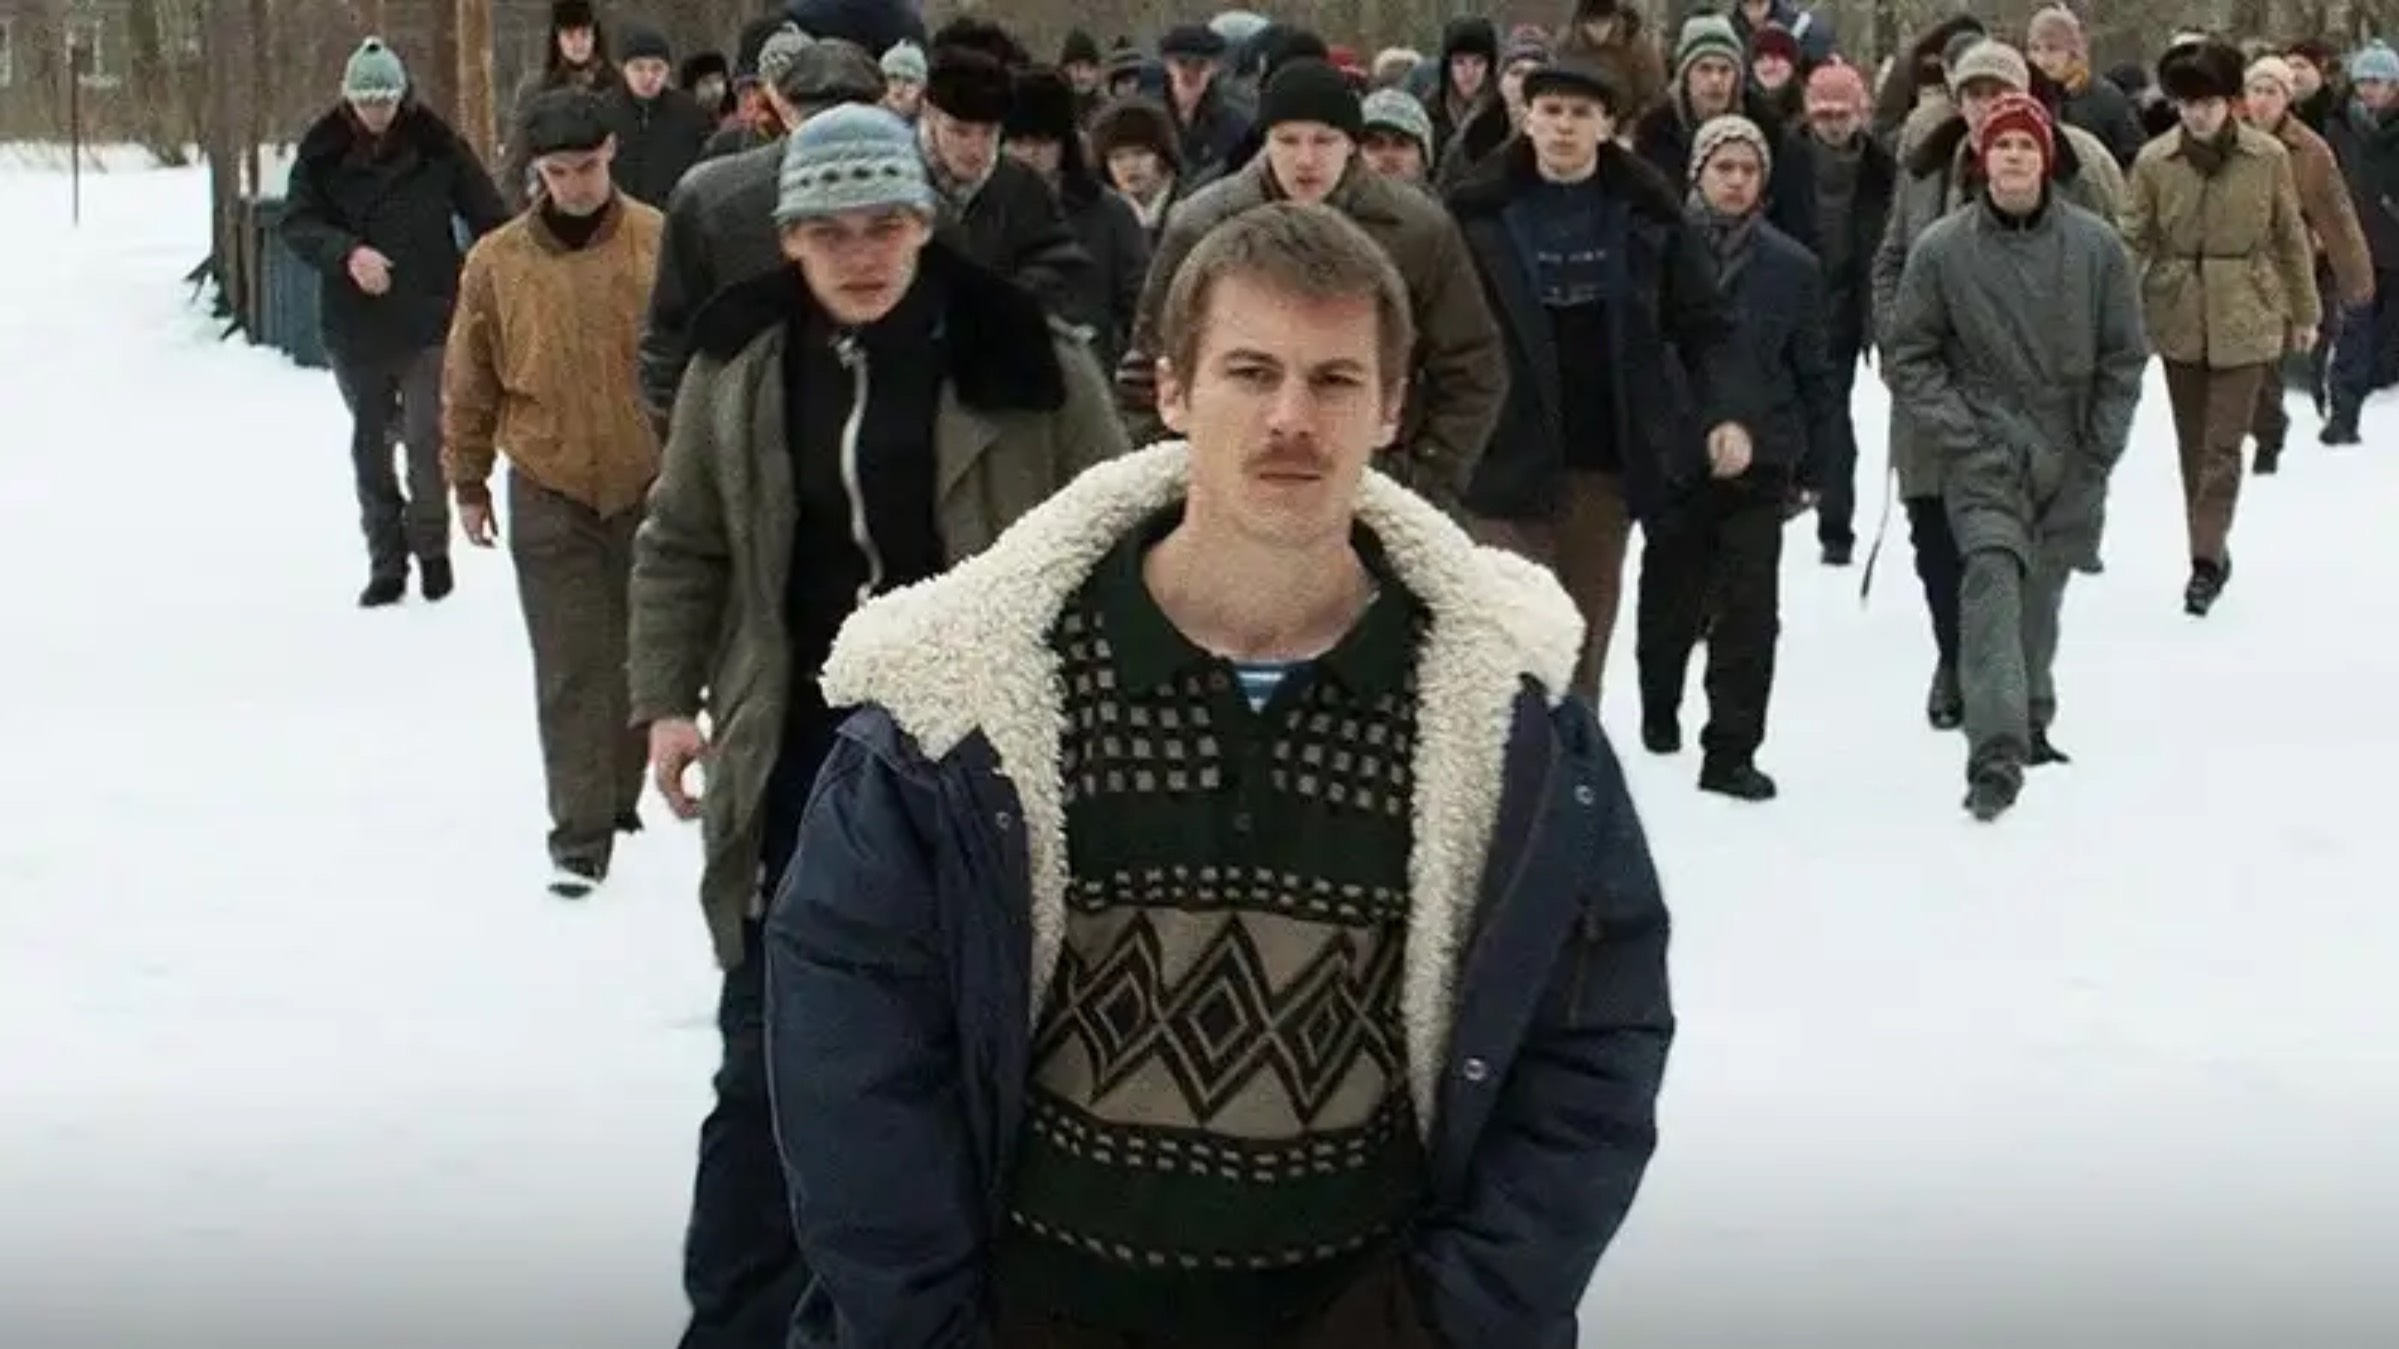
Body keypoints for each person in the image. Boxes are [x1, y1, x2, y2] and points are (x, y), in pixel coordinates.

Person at [766, 199, 1673, 1349]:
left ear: (1391, 407)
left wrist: (1442, 1318)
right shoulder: (963, 710)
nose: (1290, 416)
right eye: (1249, 371)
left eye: (1334, 379)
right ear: (1172, 389)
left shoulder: (1507, 727)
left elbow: (1589, 1048)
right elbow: (852, 1061)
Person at [626, 103, 1128, 1349]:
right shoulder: (739, 367)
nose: (861, 252)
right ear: (790, 239)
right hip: (794, 761)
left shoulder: (1024, 356)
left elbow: (1116, 541)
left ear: (923, 224)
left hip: (978, 767)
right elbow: (681, 541)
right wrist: (667, 703)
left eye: (887, 223)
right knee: (770, 1067)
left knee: (972, 1059)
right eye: (831, 229)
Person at [1448, 56, 1750, 708]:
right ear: (1527, 119)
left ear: (1607, 125)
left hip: (1602, 460)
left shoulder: (1646, 212)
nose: (1564, 126)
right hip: (1499, 460)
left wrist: (1724, 412)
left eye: (1580, 114)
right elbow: (1433, 329)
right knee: (1507, 644)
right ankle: (1509, 767)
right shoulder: (1476, 212)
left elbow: (1706, 324)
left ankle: (1573, 765)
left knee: (1579, 648)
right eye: (1551, 111)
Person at [1885, 93, 2147, 821]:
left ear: (2046, 159)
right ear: (1980, 158)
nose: (2012, 156)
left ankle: (2031, 715)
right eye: (2000, 144)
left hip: (2070, 445)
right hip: (1983, 445)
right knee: (1992, 578)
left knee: (2042, 590)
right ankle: (1994, 752)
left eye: (2026, 145)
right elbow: (1910, 354)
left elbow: (2124, 355)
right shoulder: (1941, 249)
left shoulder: (2096, 248)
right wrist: (1961, 432)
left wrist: (2100, 446)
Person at [440, 89, 664, 896]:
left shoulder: (658, 241)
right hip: (548, 482)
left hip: (649, 481)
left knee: (642, 653)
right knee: (570, 663)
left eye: (588, 168)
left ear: (611, 155)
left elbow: (698, 360)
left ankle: (619, 793)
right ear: (536, 171)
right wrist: (467, 478)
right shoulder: (497, 262)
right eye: (558, 172)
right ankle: (578, 835)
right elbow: (469, 378)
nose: (575, 186)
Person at [1120, 59, 1503, 516]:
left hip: (1374, 486)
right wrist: (1184, 479)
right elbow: (1149, 366)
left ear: (1351, 143)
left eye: (1324, 140)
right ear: (1265, 141)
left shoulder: (1419, 230)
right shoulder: (1201, 224)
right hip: (1230, 485)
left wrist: (1424, 479)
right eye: (1288, 140)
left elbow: (1472, 367)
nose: (1306, 159)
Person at [1637, 115, 1834, 801]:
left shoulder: (1792, 267)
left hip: (1762, 459)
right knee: (1669, 597)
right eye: (1723, 167)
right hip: (1676, 456)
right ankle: (1659, 704)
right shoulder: (1658, 251)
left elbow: (1813, 370)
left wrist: (1821, 463)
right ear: (1698, 174)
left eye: (1749, 170)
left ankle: (1731, 748)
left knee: (1750, 611)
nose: (1736, 181)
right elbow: (1641, 354)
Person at [279, 36, 509, 607]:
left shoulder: (436, 145)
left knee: (429, 439)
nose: (376, 112)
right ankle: (386, 560)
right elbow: (297, 222)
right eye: (366, 102)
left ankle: (431, 548)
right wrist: (347, 254)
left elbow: (487, 213)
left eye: (384, 101)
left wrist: (502, 269)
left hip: (428, 314)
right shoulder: (322, 152)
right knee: (372, 446)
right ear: (348, 101)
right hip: (355, 326)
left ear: (401, 98)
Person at [2123, 39, 2319, 617]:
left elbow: (2289, 234)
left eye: (2207, 103)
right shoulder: (2156, 162)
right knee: (2193, 445)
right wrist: (2112, 300)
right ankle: (2209, 543)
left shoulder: (2267, 157)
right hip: (2179, 309)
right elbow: (2133, 236)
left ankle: (2204, 561)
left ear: (2230, 103)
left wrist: (2305, 310)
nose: (2197, 115)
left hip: (2247, 308)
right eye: (2187, 104)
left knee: (2223, 444)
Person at [637, 38, 885, 421]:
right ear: (786, 112)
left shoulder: (915, 213)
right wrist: (695, 443)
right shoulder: (712, 203)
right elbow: (667, 347)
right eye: (820, 125)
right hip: (742, 431)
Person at [600, 25, 714, 207]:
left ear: (668, 70)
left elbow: (704, 169)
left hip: (674, 214)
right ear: (624, 69)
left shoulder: (690, 113)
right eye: (638, 68)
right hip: (617, 213)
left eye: (657, 68)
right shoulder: (602, 111)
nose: (648, 77)